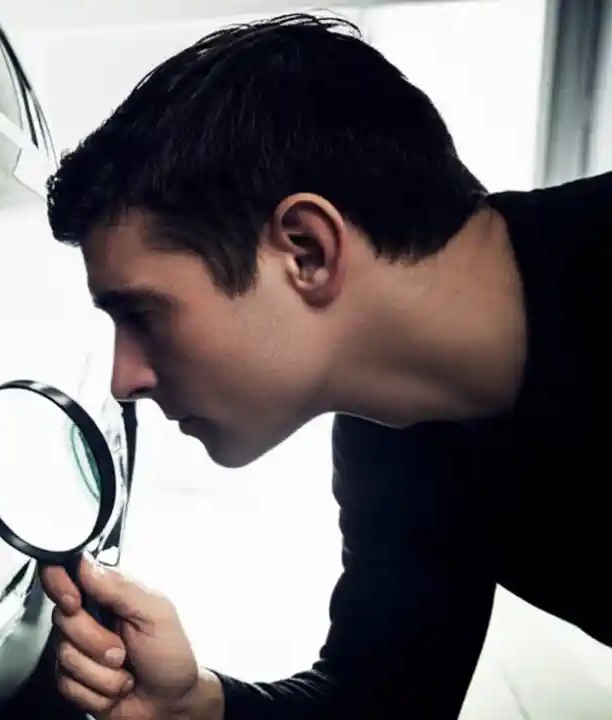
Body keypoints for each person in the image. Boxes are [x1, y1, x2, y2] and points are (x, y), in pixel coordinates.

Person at [30, 13, 612, 720]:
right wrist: (196, 705)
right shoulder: (391, 431)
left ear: (306, 250)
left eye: (143, 314)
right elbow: (383, 704)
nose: (124, 380)